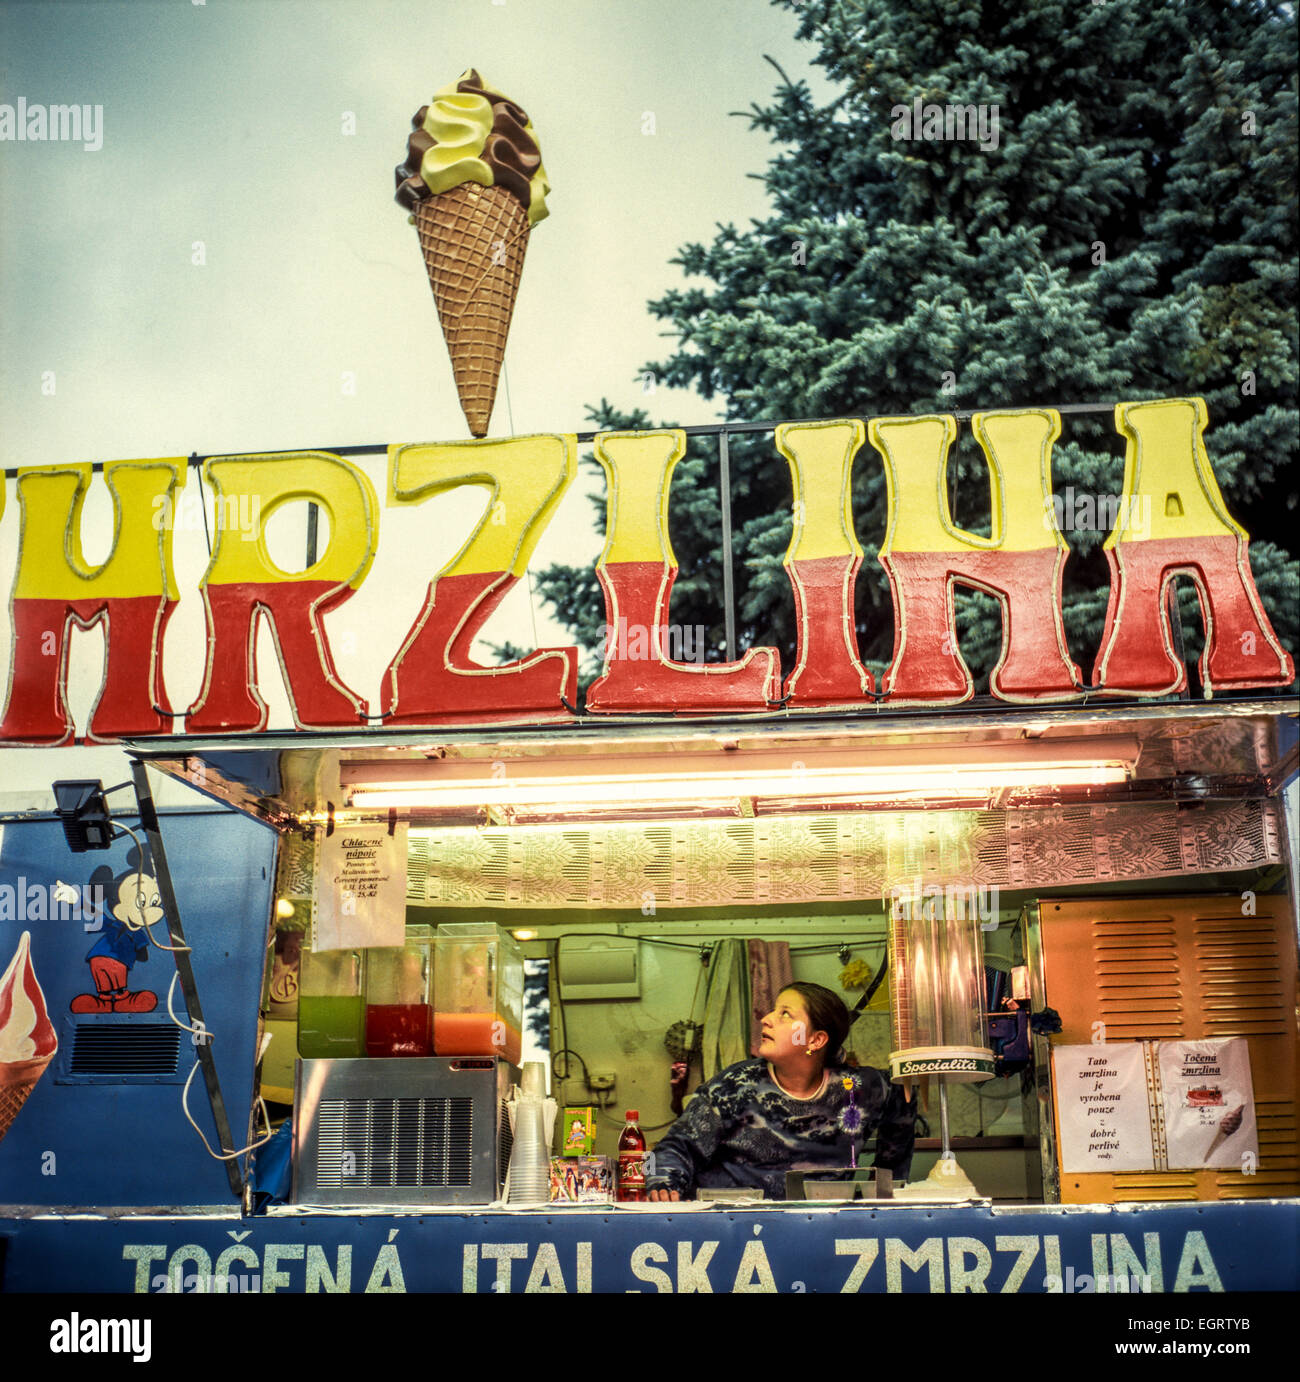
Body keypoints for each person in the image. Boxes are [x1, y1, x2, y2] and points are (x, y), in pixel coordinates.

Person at [645, 980, 915, 1201]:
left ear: (816, 1039)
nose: (766, 1020)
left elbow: (903, 1092)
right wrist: (664, 1184)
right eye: (773, 1011)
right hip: (734, 1229)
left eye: (785, 1014)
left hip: (821, 1228)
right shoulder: (735, 1085)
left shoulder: (857, 1089)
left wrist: (882, 1190)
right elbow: (675, 1148)